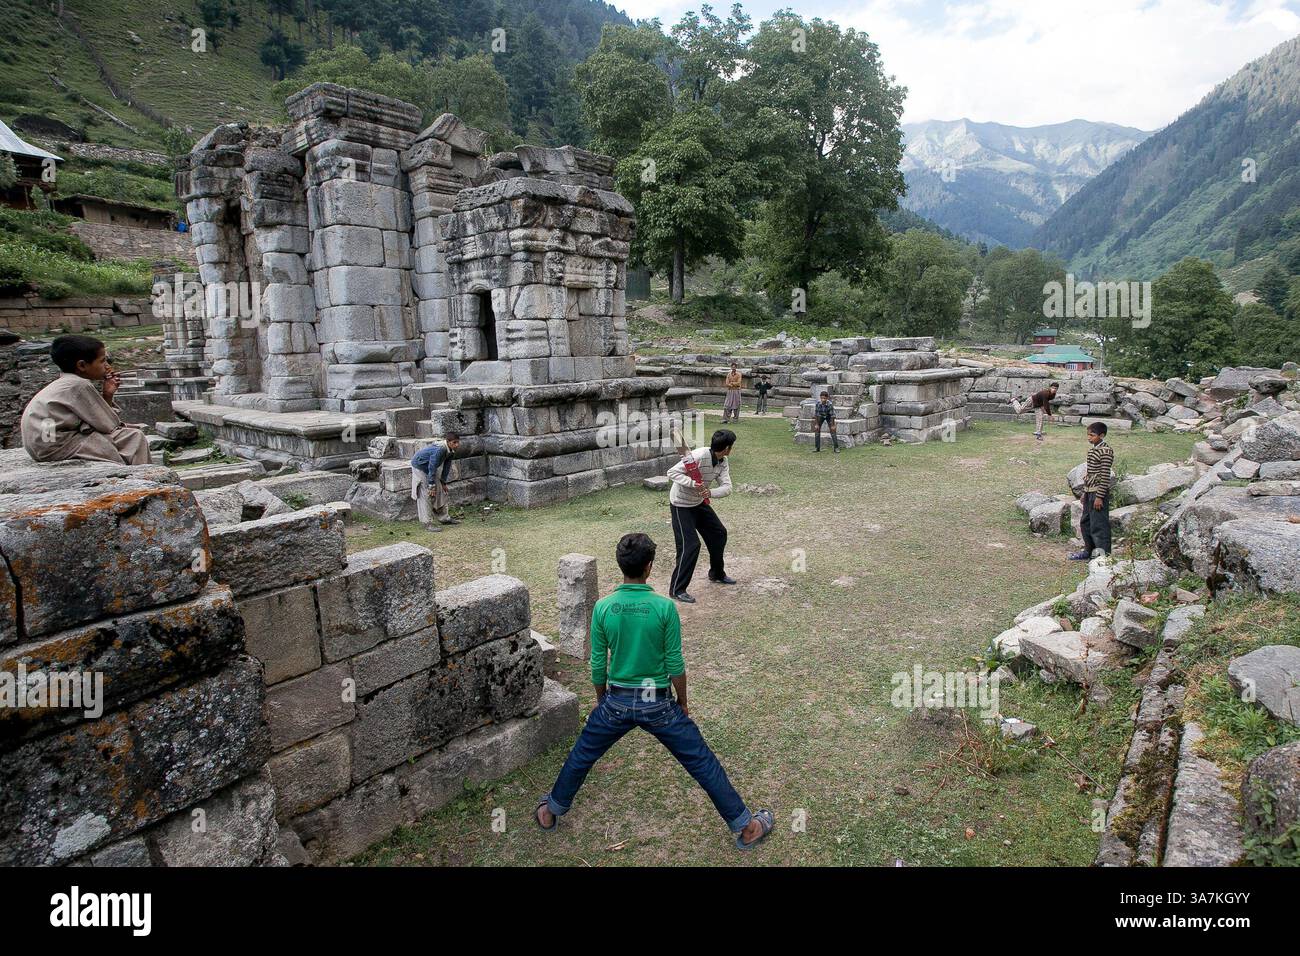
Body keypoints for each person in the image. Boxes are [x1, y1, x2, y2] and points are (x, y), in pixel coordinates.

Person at [534, 532, 775, 850]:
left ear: (621, 566)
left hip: (615, 701)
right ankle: (746, 827)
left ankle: (550, 812)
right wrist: (683, 703)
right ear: (649, 567)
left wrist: (602, 701)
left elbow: (597, 665)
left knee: (582, 755)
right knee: (701, 762)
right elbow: (675, 664)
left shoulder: (604, 608)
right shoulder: (664, 608)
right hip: (657, 700)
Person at [21, 334, 150, 465]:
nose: (106, 366)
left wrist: (107, 395)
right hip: (57, 446)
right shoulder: (79, 385)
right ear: (82, 365)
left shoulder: (64, 383)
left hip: (42, 445)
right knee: (134, 437)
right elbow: (108, 425)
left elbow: (96, 420)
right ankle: (145, 480)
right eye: (102, 361)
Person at [667, 428, 736, 603]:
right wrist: (692, 484)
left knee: (719, 533)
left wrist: (709, 493)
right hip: (681, 504)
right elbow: (672, 472)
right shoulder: (698, 456)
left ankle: (717, 573)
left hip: (699, 503)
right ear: (727, 447)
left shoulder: (722, 461)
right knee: (690, 545)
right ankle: (677, 589)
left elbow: (727, 487)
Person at [1070, 421, 1114, 560]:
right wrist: (1085, 492)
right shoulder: (1093, 449)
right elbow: (1090, 473)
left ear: (1102, 435)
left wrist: (1100, 497)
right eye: (1088, 435)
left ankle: (1102, 556)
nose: (1089, 438)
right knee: (1086, 522)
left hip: (1098, 492)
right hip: (1090, 492)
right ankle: (1088, 550)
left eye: (1092, 435)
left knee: (1099, 524)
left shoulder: (1106, 451)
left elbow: (1105, 474)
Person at [410, 432, 462, 528]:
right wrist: (431, 485)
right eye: (454, 442)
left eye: (458, 442)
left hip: (429, 468)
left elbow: (447, 466)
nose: (457, 445)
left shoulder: (451, 450)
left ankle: (444, 518)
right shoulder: (440, 449)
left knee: (441, 492)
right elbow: (432, 466)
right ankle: (427, 523)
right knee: (427, 494)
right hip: (420, 466)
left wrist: (443, 482)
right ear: (448, 442)